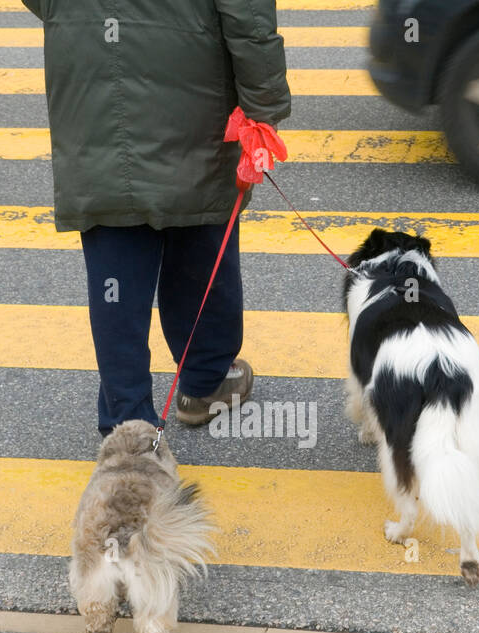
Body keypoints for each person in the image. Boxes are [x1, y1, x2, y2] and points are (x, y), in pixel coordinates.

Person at [21, 0, 291, 435]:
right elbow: (247, 14)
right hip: (192, 80)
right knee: (200, 224)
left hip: (89, 81)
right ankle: (205, 382)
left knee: (114, 248)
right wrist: (264, 105)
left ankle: (129, 430)